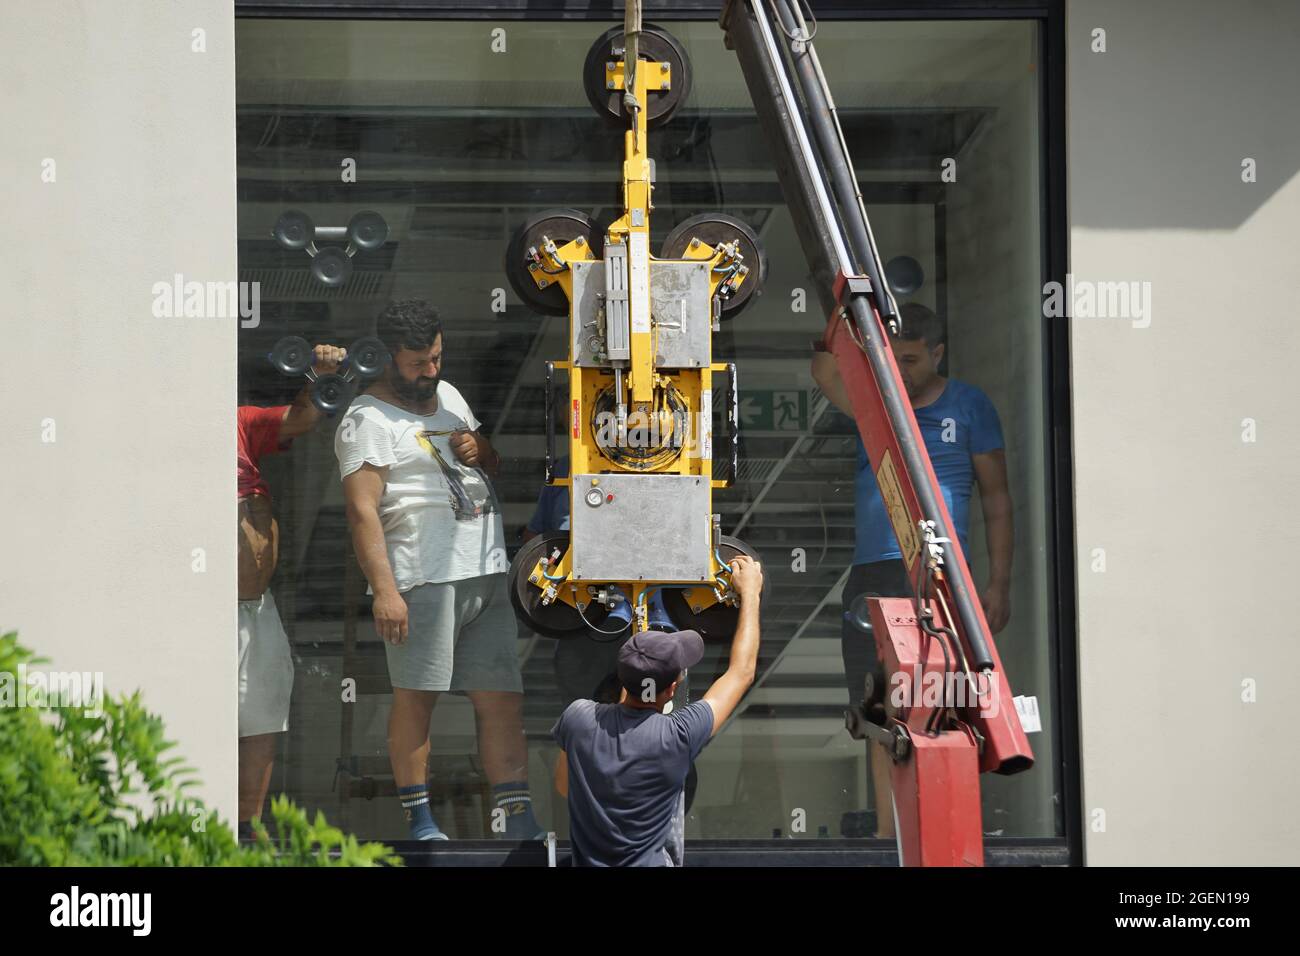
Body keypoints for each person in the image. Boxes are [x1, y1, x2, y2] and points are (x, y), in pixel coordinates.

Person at [334, 299, 543, 841]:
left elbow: (490, 464)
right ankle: (421, 820)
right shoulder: (365, 419)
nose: (431, 372)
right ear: (386, 358)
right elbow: (361, 511)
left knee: (501, 699)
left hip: (484, 571)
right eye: (417, 363)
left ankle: (517, 818)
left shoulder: (448, 396)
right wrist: (384, 591)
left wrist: (482, 447)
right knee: (416, 699)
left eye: (436, 358)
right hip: (421, 577)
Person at [811, 303, 1013, 839]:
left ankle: (953, 825)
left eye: (913, 359)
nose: (902, 370)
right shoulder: (876, 403)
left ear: (938, 353)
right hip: (873, 575)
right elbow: (825, 372)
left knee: (948, 702)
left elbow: (997, 499)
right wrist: (845, 316)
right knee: (882, 707)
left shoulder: (971, 405)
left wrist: (997, 583)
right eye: (892, 359)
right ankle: (887, 834)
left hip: (944, 576)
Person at [552, 555, 763, 866]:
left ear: (621, 675)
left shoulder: (579, 719)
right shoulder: (677, 735)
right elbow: (742, 672)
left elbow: (563, 784)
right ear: (672, 691)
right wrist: (750, 594)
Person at [237, 343, 347, 839]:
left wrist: (319, 374)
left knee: (262, 710)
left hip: (256, 606)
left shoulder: (236, 421)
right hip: (195, 609)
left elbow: (301, 420)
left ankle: (245, 826)